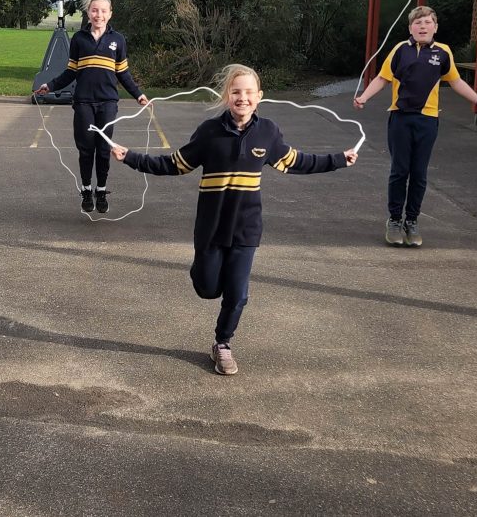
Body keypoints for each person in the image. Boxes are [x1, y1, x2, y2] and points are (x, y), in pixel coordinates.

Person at [111, 64, 357, 375]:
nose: (242, 98)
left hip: (246, 229)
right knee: (208, 288)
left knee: (238, 294)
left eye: (249, 92)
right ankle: (202, 273)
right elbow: (174, 164)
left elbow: (297, 161)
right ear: (227, 96)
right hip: (211, 229)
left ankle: (222, 343)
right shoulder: (209, 132)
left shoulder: (268, 132)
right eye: (236, 92)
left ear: (259, 97)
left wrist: (338, 159)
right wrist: (130, 157)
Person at [353, 5, 477, 247]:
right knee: (400, 171)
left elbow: (456, 81)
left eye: (427, 22)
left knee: (419, 173)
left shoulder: (443, 53)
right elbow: (382, 78)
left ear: (435, 27)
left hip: (428, 119)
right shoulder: (400, 50)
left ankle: (412, 221)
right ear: (410, 28)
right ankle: (395, 220)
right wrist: (364, 97)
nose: (422, 26)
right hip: (400, 118)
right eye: (417, 23)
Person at [36, 0, 149, 214]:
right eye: (94, 10)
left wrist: (138, 95)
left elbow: (123, 73)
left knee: (104, 149)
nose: (99, 15)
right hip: (84, 103)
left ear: (110, 14)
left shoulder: (118, 40)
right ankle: (86, 190)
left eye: (103, 11)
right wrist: (50, 86)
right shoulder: (79, 39)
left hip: (108, 103)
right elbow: (71, 72)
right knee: (86, 149)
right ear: (88, 13)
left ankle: (101, 191)